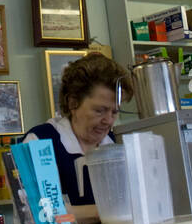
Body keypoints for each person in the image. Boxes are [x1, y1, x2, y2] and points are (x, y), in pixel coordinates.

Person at [21, 53, 133, 211]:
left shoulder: (118, 144)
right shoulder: (39, 142)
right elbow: (37, 212)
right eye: (100, 111)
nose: (108, 120)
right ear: (73, 102)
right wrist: (105, 212)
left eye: (115, 112)